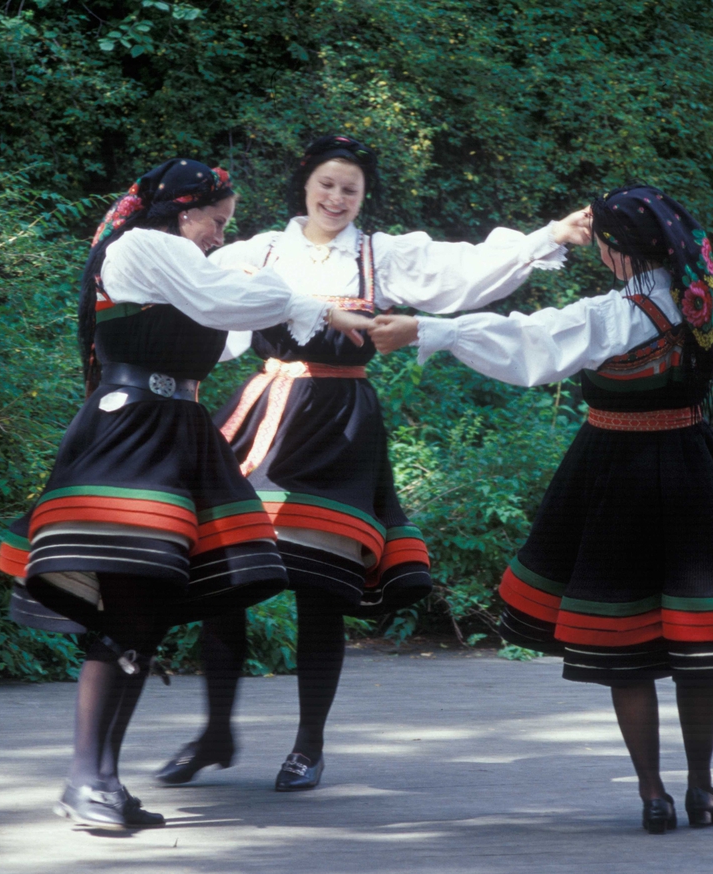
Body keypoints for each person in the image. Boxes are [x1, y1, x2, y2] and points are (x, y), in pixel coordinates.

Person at [368, 185, 713, 833]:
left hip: (617, 476)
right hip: (693, 470)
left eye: (606, 246)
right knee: (697, 636)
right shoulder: (698, 301)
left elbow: (529, 342)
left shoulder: (613, 316)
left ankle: (653, 794)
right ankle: (702, 788)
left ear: (618, 250)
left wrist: (429, 329)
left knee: (625, 640)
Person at [156, 135, 586, 792]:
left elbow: (466, 270)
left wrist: (551, 234)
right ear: (305, 186)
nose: (336, 198)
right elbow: (194, 300)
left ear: (362, 197)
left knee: (321, 586)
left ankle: (308, 746)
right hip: (263, 413)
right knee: (225, 573)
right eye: (326, 185)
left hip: (339, 426)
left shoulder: (379, 256)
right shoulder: (258, 252)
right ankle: (216, 731)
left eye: (349, 189)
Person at [0, 158, 367, 829]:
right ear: (184, 211)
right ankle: (86, 780)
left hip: (171, 434)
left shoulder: (181, 267)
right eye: (217, 222)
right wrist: (297, 298)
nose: (221, 236)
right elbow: (233, 302)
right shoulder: (145, 245)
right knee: (127, 607)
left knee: (146, 614)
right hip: (133, 434)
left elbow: (225, 331)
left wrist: (283, 298)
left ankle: (101, 781)